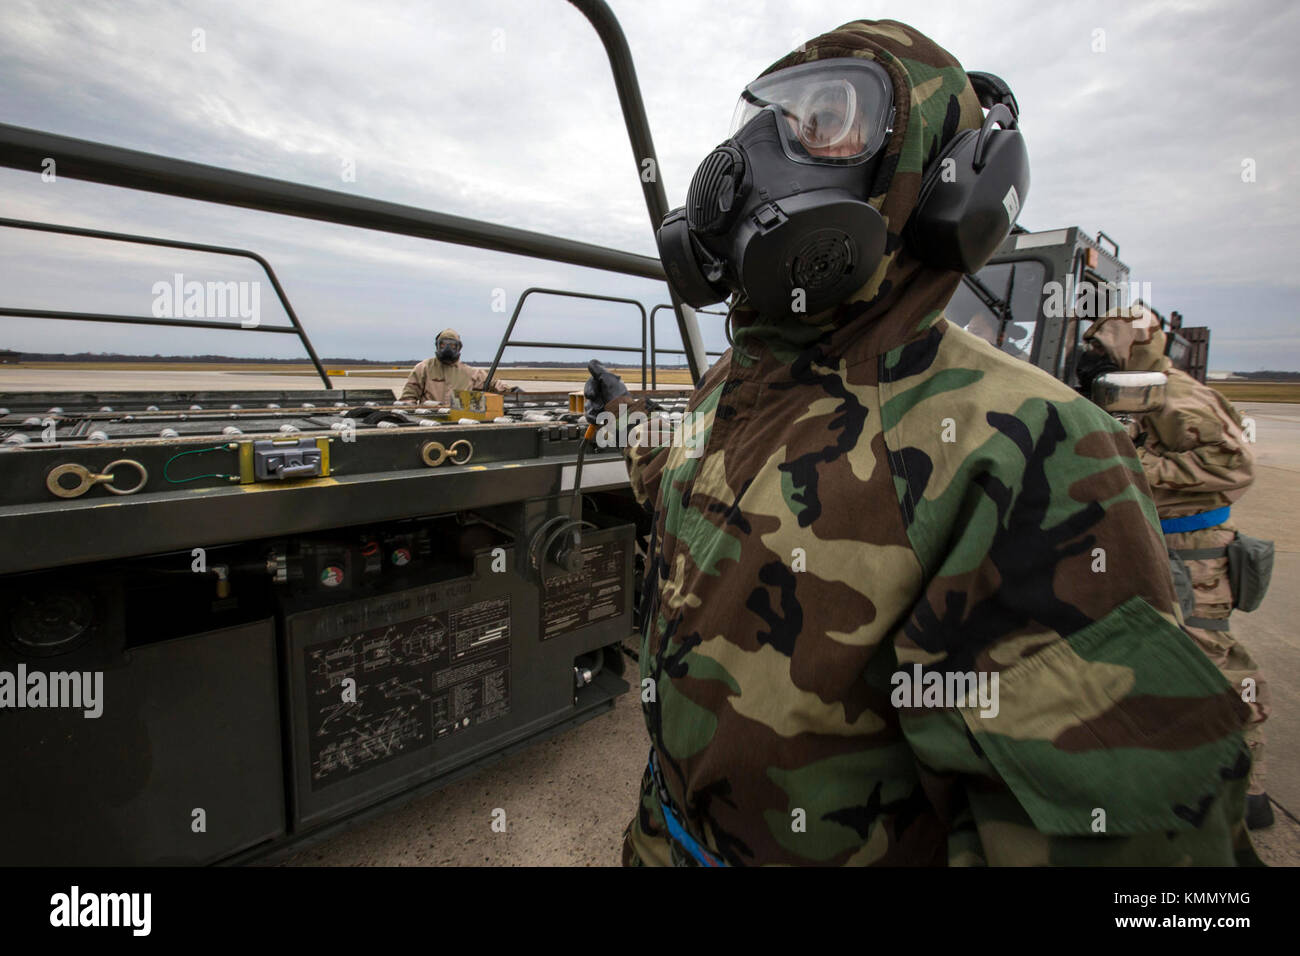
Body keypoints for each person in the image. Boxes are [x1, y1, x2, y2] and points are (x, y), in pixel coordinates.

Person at [585, 19, 1255, 866]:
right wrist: (618, 415)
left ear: (937, 191)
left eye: (823, 120)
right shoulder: (739, 381)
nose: (757, 154)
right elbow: (678, 476)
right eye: (759, 120)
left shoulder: (1023, 448)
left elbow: (1151, 865)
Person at [1079, 304, 1272, 829]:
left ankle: (1246, 791)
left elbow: (1233, 465)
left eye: (1104, 346)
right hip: (1165, 543)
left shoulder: (1175, 393)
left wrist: (1127, 463)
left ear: (1135, 344)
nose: (1094, 356)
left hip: (1194, 550)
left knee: (1214, 658)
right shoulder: (1138, 392)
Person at [398, 328, 515, 403]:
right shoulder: (424, 368)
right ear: (437, 346)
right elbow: (408, 399)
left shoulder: (471, 373)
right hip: (430, 421)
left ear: (459, 347)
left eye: (452, 345)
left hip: (460, 422)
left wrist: (512, 391)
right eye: (443, 345)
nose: (448, 348)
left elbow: (494, 385)